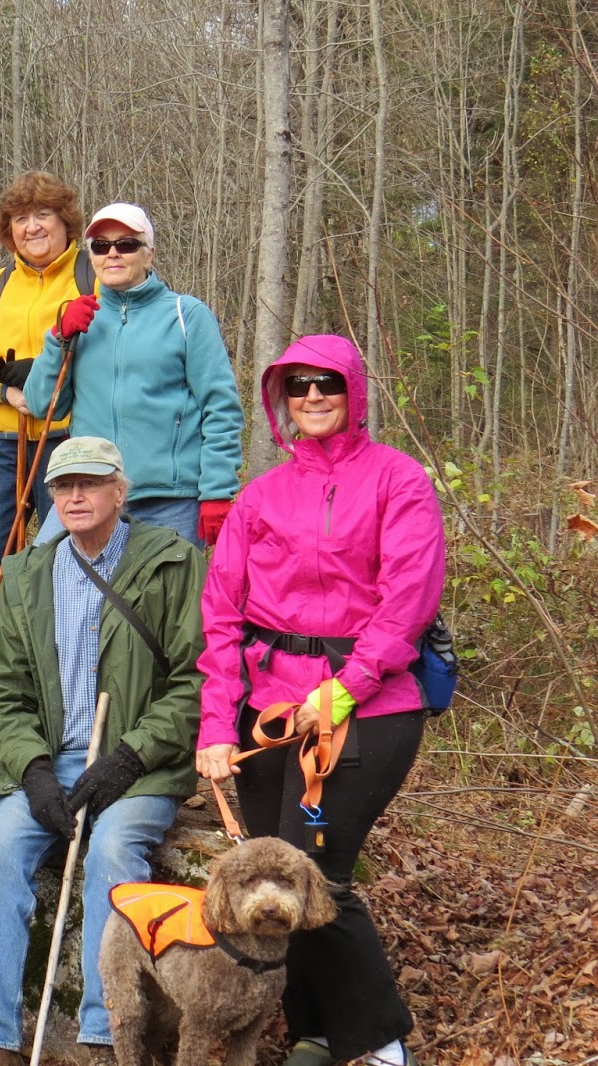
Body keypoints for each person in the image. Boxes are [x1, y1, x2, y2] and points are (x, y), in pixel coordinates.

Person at [195, 335, 444, 1066]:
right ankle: (315, 1030)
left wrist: (344, 690)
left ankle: (381, 1041)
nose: (312, 397)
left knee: (317, 870)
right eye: (297, 385)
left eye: (326, 384)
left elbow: (408, 601)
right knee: (274, 868)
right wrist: (216, 728)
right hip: (269, 712)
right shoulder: (260, 496)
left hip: (372, 706)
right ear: (280, 398)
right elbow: (222, 618)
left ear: (352, 391)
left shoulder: (399, 481)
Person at [0, 437, 205, 1066]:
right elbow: (3, 694)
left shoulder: (171, 563)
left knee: (115, 851)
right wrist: (34, 772)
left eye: (90, 484)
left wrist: (127, 759)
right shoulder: (24, 575)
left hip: (136, 765)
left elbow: (196, 679)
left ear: (120, 491)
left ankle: (105, 1032)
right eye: (63, 486)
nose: (75, 496)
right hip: (50, 759)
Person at [24, 203, 243, 547]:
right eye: (100, 245)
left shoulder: (186, 315)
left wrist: (216, 490)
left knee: (159, 600)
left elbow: (221, 409)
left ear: (149, 253)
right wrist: (59, 339)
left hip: (169, 501)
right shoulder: (81, 319)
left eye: (126, 244)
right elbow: (40, 404)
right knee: (43, 579)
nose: (112, 253)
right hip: (89, 494)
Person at [0, 171, 83, 641]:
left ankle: (52, 666)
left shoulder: (88, 277)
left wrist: (50, 382)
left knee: (63, 557)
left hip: (67, 443)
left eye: (43, 215)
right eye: (21, 219)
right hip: (4, 443)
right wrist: (8, 392)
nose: (32, 227)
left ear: (65, 222)